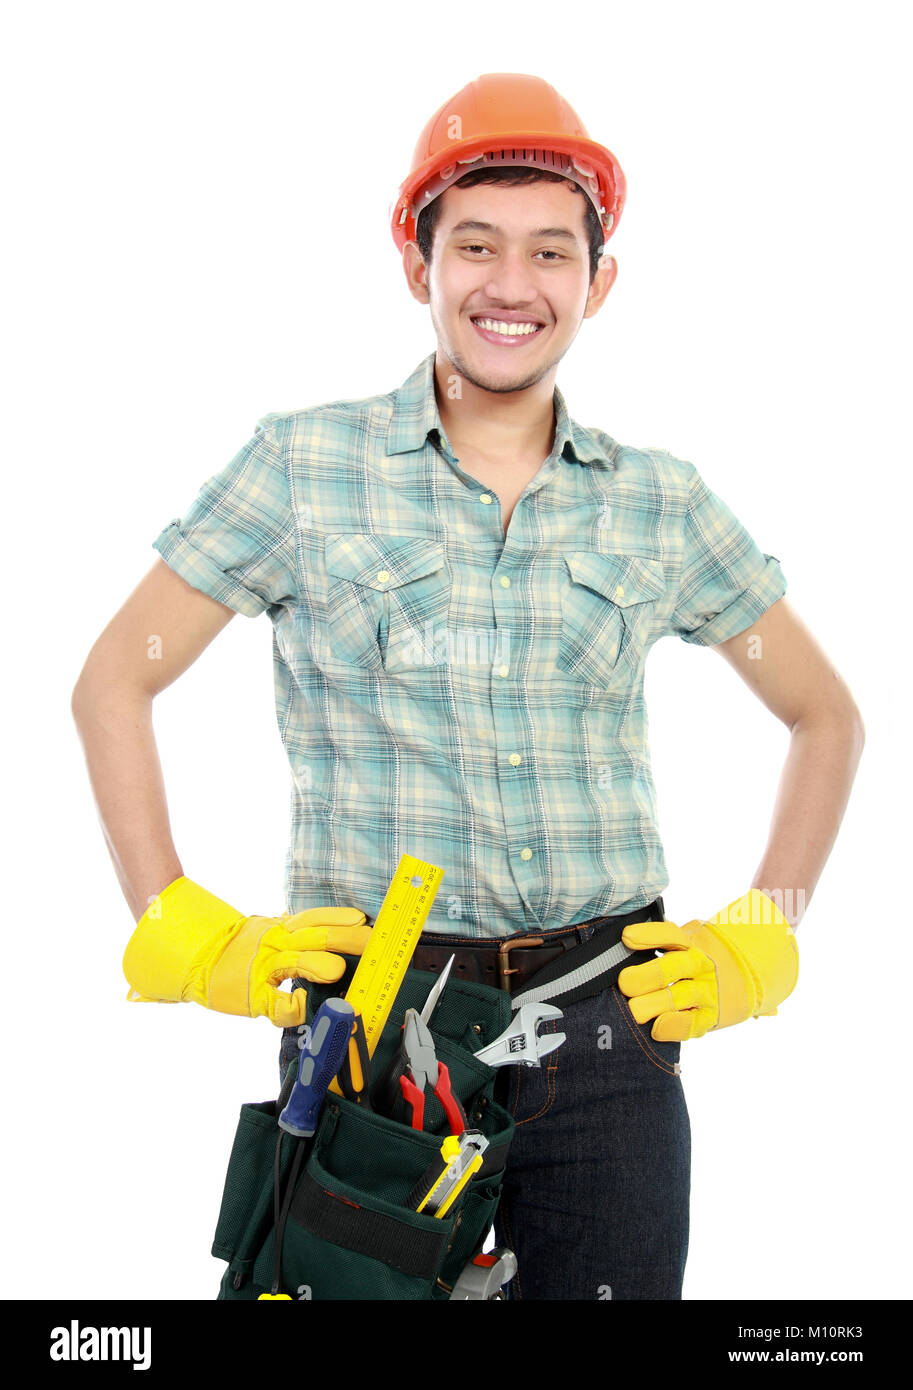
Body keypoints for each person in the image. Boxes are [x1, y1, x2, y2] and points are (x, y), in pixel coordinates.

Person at [71, 73, 865, 1300]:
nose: (511, 284)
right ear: (417, 263)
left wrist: (766, 930)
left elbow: (825, 714)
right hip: (380, 1024)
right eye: (475, 244)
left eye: (552, 250)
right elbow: (115, 678)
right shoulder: (302, 466)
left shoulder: (658, 501)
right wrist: (176, 920)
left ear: (597, 282)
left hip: (611, 1028)